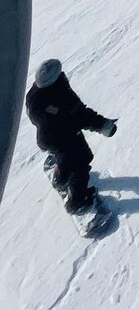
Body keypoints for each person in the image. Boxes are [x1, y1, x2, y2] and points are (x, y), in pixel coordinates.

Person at [25, 60, 116, 216]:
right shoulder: (60, 96)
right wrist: (103, 125)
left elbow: (36, 116)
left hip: (47, 138)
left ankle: (60, 180)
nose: (61, 74)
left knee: (65, 160)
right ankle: (77, 202)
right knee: (80, 163)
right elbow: (81, 114)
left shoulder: (33, 94)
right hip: (65, 138)